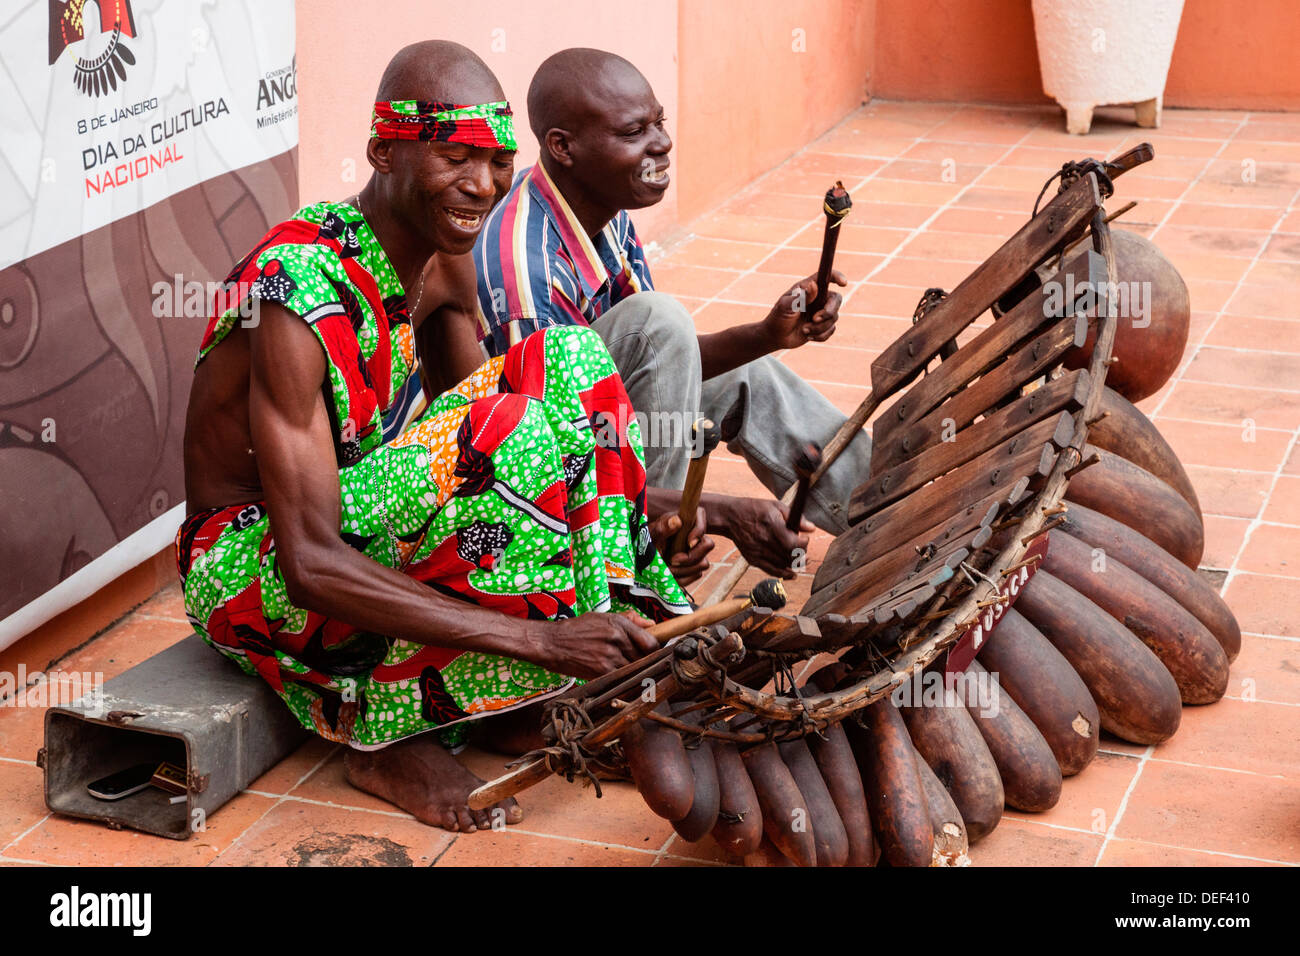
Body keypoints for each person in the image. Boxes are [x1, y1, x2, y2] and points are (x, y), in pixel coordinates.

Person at [178, 41, 704, 834]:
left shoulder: (443, 261)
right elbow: (312, 559)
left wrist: (694, 508)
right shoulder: (292, 293)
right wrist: (544, 639)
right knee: (511, 440)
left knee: (566, 360)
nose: (484, 186)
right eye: (457, 158)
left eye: (497, 162)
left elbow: (530, 442)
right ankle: (392, 736)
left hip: (361, 514)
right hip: (253, 567)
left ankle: (547, 685)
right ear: (383, 151)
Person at [473, 48, 872, 538]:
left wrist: (767, 334)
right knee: (656, 319)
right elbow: (542, 463)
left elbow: (664, 360)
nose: (661, 144)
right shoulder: (526, 272)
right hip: (544, 480)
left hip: (596, 419)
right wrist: (718, 513)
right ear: (563, 147)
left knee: (742, 372)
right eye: (633, 132)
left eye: (658, 123)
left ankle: (881, 509)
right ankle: (647, 555)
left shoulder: (603, 201)